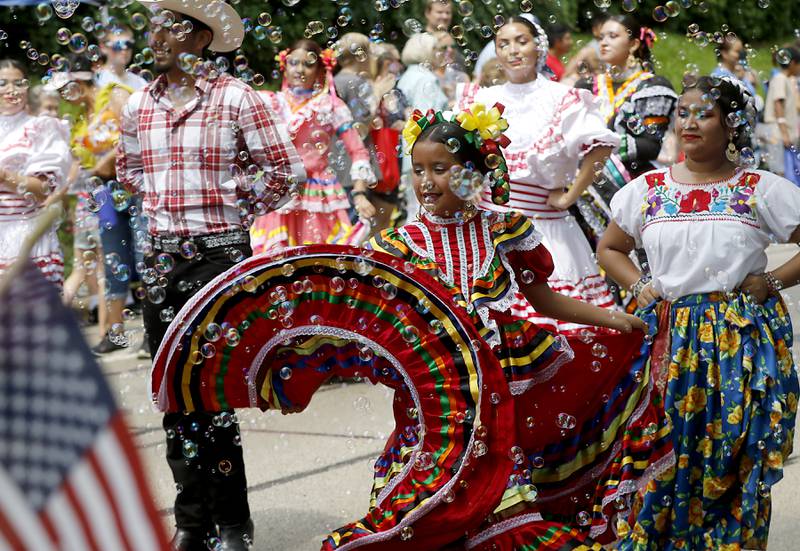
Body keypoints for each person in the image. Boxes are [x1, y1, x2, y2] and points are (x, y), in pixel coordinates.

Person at [371, 104, 672, 548]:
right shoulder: (398, 244)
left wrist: (612, 319)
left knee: (499, 480)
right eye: (418, 169)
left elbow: (543, 299)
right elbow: (388, 324)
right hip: (436, 387)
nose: (426, 181)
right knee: (434, 484)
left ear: (473, 174)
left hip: (501, 373)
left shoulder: (504, 229)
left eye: (441, 168)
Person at [116, 1, 305, 548]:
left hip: (219, 257)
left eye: (174, 26)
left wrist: (230, 206)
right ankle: (191, 523)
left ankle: (231, 522)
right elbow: (128, 170)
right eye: (156, 24)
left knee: (214, 391)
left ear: (202, 40)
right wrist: (163, 213)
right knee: (171, 392)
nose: (159, 35)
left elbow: (284, 171)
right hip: (163, 257)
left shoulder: (237, 98)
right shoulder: (137, 105)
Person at [598, 76, 799, 550]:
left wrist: (772, 281)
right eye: (682, 112)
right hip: (666, 346)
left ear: (731, 126)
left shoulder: (761, 188)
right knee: (663, 463)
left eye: (703, 113)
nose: (688, 122)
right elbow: (610, 248)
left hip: (739, 348)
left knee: (730, 460)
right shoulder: (646, 190)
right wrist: (640, 284)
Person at [457, 16, 620, 334]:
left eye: (521, 41)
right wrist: (468, 182)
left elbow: (600, 145)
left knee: (554, 330)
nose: (512, 50)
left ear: (539, 46)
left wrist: (571, 195)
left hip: (546, 230)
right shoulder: (481, 99)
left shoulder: (560, 97)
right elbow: (451, 153)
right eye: (503, 44)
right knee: (495, 332)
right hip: (489, 231)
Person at [250, 39, 376, 252]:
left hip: (317, 195)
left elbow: (358, 151)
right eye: (293, 63)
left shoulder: (330, 106)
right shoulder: (270, 102)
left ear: (320, 69)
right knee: (273, 265)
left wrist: (360, 194)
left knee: (317, 263)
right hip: (278, 191)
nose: (300, 70)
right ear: (284, 66)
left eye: (308, 64)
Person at [47, 57, 137, 355]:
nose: (62, 96)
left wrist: (105, 162)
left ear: (79, 82)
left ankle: (152, 334)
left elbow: (131, 131)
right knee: (112, 262)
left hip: (129, 187)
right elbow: (77, 163)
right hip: (101, 194)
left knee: (143, 258)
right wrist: (60, 193)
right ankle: (115, 334)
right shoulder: (82, 118)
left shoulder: (113, 92)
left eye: (65, 88)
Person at [573, 15, 677, 246]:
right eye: (601, 37)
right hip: (583, 189)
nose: (603, 42)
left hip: (631, 187)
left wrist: (602, 149)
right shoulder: (586, 86)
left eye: (613, 36)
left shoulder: (652, 86)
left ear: (634, 44)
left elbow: (651, 145)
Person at [0, 59, 72, 285]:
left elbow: (43, 190)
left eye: (18, 83)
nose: (11, 90)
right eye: (2, 83)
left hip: (26, 236)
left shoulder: (40, 127)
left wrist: (3, 176)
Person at [763, 46, 800, 178]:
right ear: (793, 63)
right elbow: (778, 104)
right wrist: (784, 133)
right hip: (778, 134)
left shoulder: (787, 80)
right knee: (781, 174)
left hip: (783, 134)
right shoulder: (780, 78)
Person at [95, 23, 148, 90]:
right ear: (103, 47)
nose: (124, 49)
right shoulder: (96, 80)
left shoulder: (140, 82)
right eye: (118, 45)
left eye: (128, 44)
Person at [562, 13, 608, 85]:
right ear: (595, 30)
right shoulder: (589, 50)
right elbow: (568, 71)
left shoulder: (612, 48)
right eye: (604, 28)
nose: (608, 31)